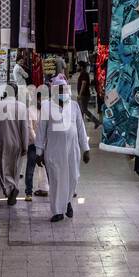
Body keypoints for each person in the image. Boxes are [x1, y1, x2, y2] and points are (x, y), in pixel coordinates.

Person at [35, 83, 90, 222]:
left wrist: (86, 149)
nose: (62, 92)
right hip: (54, 150)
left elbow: (81, 127)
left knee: (73, 178)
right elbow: (41, 130)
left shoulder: (74, 106)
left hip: (72, 150)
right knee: (56, 180)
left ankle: (67, 202)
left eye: (64, 90)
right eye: (59, 90)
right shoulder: (47, 106)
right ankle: (57, 211)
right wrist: (38, 151)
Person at [0, 86, 28, 206]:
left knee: (2, 168)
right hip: (17, 143)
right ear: (16, 93)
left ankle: (10, 189)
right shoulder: (21, 106)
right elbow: (24, 128)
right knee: (15, 168)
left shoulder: (0, 105)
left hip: (2, 142)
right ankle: (13, 188)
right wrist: (25, 145)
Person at [76, 58, 101, 127]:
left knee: (83, 110)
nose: (77, 67)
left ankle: (80, 125)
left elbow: (84, 83)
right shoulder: (83, 73)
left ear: (81, 67)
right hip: (84, 95)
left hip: (84, 95)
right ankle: (94, 122)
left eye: (78, 66)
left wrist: (80, 95)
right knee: (83, 110)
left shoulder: (84, 74)